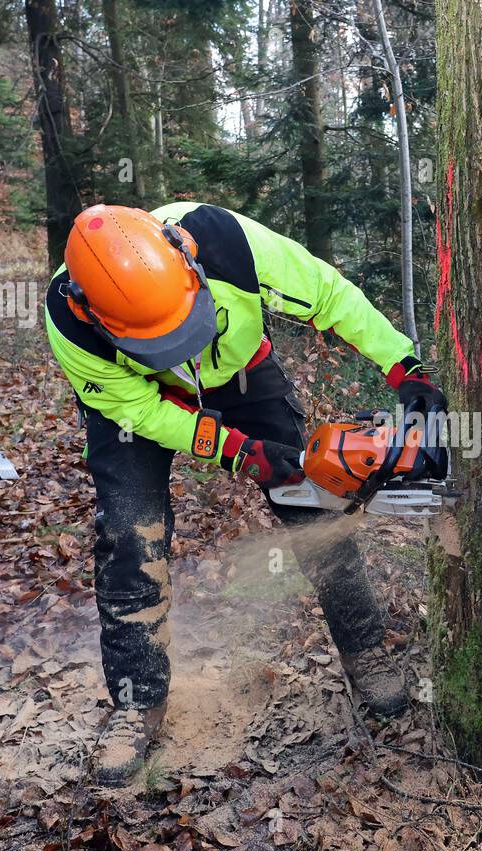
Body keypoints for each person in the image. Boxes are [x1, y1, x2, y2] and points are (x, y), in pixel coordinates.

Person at [42, 202, 445, 785]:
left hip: (240, 372)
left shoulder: (230, 244)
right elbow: (137, 409)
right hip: (137, 406)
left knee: (312, 499)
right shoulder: (70, 319)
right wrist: (230, 448)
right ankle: (138, 702)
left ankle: (365, 651)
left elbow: (328, 295)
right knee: (130, 532)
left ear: (187, 262)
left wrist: (401, 365)